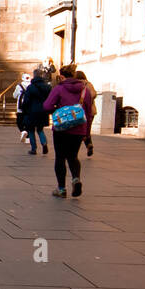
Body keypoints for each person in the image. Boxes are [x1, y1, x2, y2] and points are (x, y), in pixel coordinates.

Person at [43, 63, 94, 198]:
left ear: (61, 76)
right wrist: (87, 133)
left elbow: (47, 106)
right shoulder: (85, 90)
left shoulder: (59, 89)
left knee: (60, 157)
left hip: (61, 129)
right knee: (73, 156)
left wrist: (58, 110)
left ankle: (61, 189)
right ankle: (76, 179)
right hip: (78, 129)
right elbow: (88, 113)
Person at [20, 67, 51, 155]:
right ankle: (44, 144)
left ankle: (34, 148)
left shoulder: (30, 87)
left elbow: (26, 101)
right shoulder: (47, 87)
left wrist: (23, 109)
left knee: (31, 130)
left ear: (34, 75)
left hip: (31, 111)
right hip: (43, 111)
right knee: (40, 129)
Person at [75, 69, 95, 157]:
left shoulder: (76, 85)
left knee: (78, 131)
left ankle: (75, 150)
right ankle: (89, 145)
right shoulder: (88, 84)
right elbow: (94, 94)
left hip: (79, 111)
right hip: (91, 110)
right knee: (87, 130)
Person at [12, 73, 31, 143]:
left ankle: (23, 131)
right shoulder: (31, 86)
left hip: (20, 107)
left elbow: (14, 95)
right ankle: (28, 139)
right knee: (28, 123)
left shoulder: (19, 86)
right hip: (29, 107)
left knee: (19, 121)